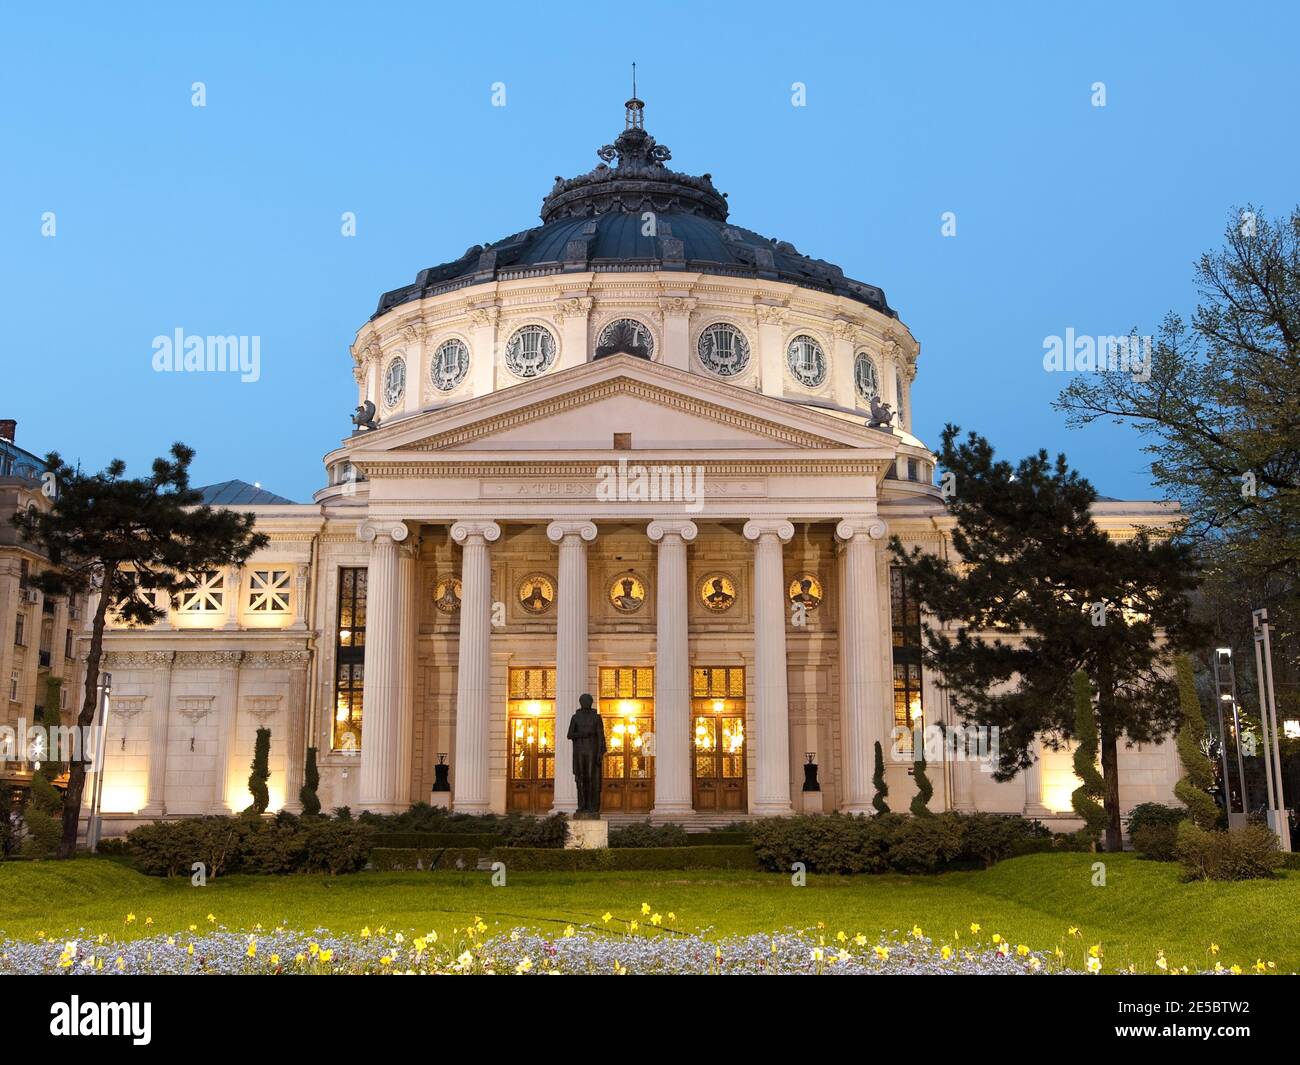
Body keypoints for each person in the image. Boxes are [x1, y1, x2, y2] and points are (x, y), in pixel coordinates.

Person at [567, 693, 606, 816]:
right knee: (581, 777)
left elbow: (601, 736)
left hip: (592, 751)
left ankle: (591, 805)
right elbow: (570, 734)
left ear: (591, 702)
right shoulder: (575, 717)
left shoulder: (596, 717)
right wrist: (583, 734)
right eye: (584, 701)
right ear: (581, 702)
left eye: (588, 701)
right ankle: (582, 805)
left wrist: (600, 752)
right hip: (579, 751)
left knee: (591, 777)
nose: (586, 703)